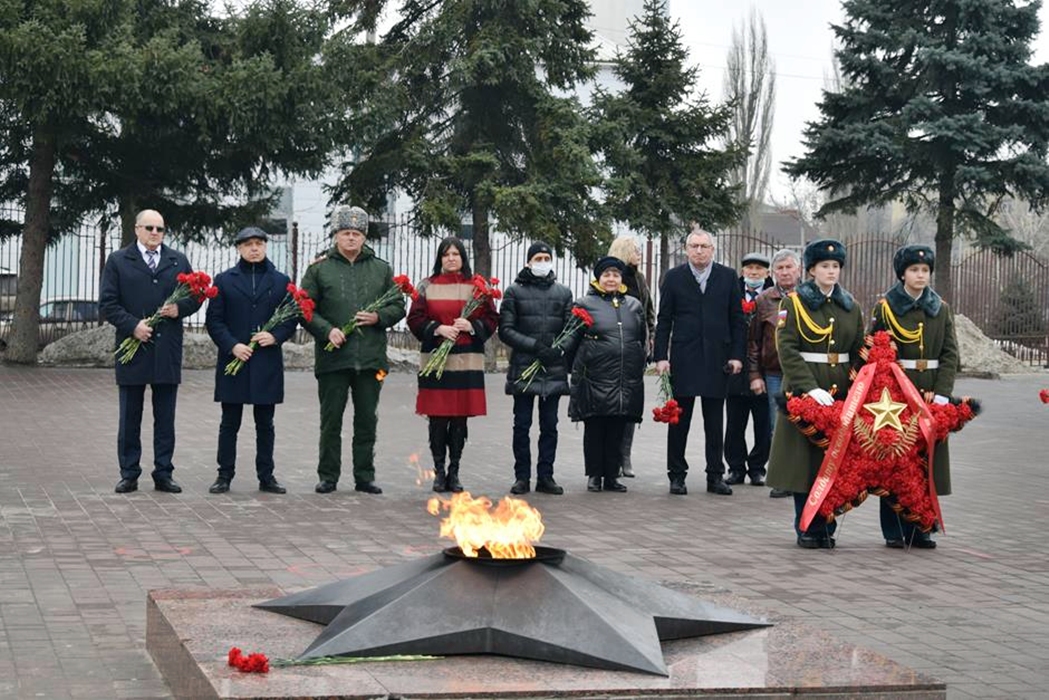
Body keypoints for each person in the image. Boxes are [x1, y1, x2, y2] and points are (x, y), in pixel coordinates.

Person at [765, 239, 865, 549]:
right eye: (825, 266)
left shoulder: (851, 306)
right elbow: (788, 349)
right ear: (811, 270)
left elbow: (858, 350)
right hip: (804, 389)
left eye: (835, 267)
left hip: (839, 390)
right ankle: (806, 526)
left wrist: (854, 389)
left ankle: (827, 527)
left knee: (831, 462)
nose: (831, 272)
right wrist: (809, 388)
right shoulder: (794, 303)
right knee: (804, 463)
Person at [300, 205, 405, 495]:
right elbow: (304, 307)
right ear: (336, 236)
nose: (351, 238)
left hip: (370, 358)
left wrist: (378, 318)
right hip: (333, 358)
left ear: (364, 237)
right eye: (345, 233)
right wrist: (327, 330)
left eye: (356, 234)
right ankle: (328, 475)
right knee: (331, 420)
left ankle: (364, 475)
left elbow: (397, 305)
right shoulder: (319, 269)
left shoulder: (381, 269)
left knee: (367, 420)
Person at [100, 209, 201, 494]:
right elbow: (108, 304)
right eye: (150, 228)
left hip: (166, 350)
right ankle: (129, 473)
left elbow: (195, 297)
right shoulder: (119, 260)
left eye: (160, 228)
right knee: (130, 415)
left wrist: (180, 309)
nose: (155, 233)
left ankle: (164, 473)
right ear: (137, 230)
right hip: (132, 349)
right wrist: (133, 326)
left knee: (165, 417)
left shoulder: (177, 260)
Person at [870, 244, 959, 549]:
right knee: (895, 460)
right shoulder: (886, 308)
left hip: (931, 392)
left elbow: (950, 353)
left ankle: (921, 527)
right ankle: (894, 529)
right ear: (902, 274)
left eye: (925, 271)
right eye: (914, 270)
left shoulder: (941, 308)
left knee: (925, 462)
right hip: (896, 396)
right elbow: (875, 353)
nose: (920, 276)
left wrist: (944, 393)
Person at [654, 228, 746, 496]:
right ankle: (677, 475)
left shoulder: (728, 277)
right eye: (694, 246)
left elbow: (737, 321)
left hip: (718, 359)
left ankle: (715, 475)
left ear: (712, 250)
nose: (699, 251)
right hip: (684, 358)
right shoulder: (673, 278)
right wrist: (661, 356)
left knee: (715, 422)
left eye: (704, 246)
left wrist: (737, 356)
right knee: (679, 420)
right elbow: (664, 320)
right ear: (686, 250)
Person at [204, 227, 296, 495]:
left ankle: (266, 476)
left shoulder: (280, 281)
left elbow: (291, 316)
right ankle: (224, 475)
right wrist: (233, 345)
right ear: (239, 249)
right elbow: (214, 320)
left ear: (266, 246)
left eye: (259, 243)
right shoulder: (224, 280)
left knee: (265, 423)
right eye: (248, 244)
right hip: (234, 360)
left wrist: (276, 335)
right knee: (229, 422)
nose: (254, 248)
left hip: (266, 361)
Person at [408, 237, 498, 494]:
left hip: (466, 358)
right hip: (436, 359)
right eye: (446, 254)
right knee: (437, 418)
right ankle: (438, 471)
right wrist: (437, 329)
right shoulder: (427, 285)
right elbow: (414, 318)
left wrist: (472, 326)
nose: (451, 258)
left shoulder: (476, 287)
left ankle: (454, 471)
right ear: (440, 258)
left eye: (456, 254)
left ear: (462, 258)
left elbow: (492, 318)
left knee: (459, 418)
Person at [498, 241, 574, 496]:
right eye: (538, 258)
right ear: (528, 262)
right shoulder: (514, 292)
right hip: (524, 367)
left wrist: (557, 348)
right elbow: (506, 330)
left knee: (550, 425)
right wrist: (534, 346)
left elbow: (571, 329)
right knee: (522, 425)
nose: (542, 262)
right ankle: (522, 476)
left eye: (546, 258)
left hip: (552, 368)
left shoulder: (563, 293)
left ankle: (546, 476)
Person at [568, 256, 646, 493]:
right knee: (595, 427)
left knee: (617, 427)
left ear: (621, 279)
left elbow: (640, 337)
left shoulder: (633, 305)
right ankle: (594, 474)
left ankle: (612, 475)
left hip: (625, 377)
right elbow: (572, 340)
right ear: (598, 278)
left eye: (615, 275)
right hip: (594, 376)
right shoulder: (584, 304)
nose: (611, 279)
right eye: (606, 275)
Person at [747, 249, 803, 498]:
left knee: (806, 424)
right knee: (776, 427)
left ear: (799, 269)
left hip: (803, 373)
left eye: (789, 267)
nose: (785, 272)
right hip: (773, 373)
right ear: (773, 273)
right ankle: (782, 478)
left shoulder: (808, 297)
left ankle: (803, 476)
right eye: (780, 268)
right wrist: (754, 375)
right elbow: (754, 342)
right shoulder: (764, 300)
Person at [607, 236, 656, 479]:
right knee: (612, 404)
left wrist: (651, 338)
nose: (639, 253)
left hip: (637, 349)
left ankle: (625, 456)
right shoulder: (608, 276)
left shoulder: (639, 278)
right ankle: (612, 456)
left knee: (631, 404)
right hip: (612, 352)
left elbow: (649, 312)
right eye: (636, 250)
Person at [724, 252, 773, 487]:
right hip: (736, 365)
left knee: (763, 423)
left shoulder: (774, 295)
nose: (754, 273)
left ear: (767, 273)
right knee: (735, 422)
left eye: (759, 269)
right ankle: (735, 467)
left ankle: (757, 467)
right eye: (749, 268)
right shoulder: (731, 292)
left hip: (763, 368)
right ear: (743, 271)